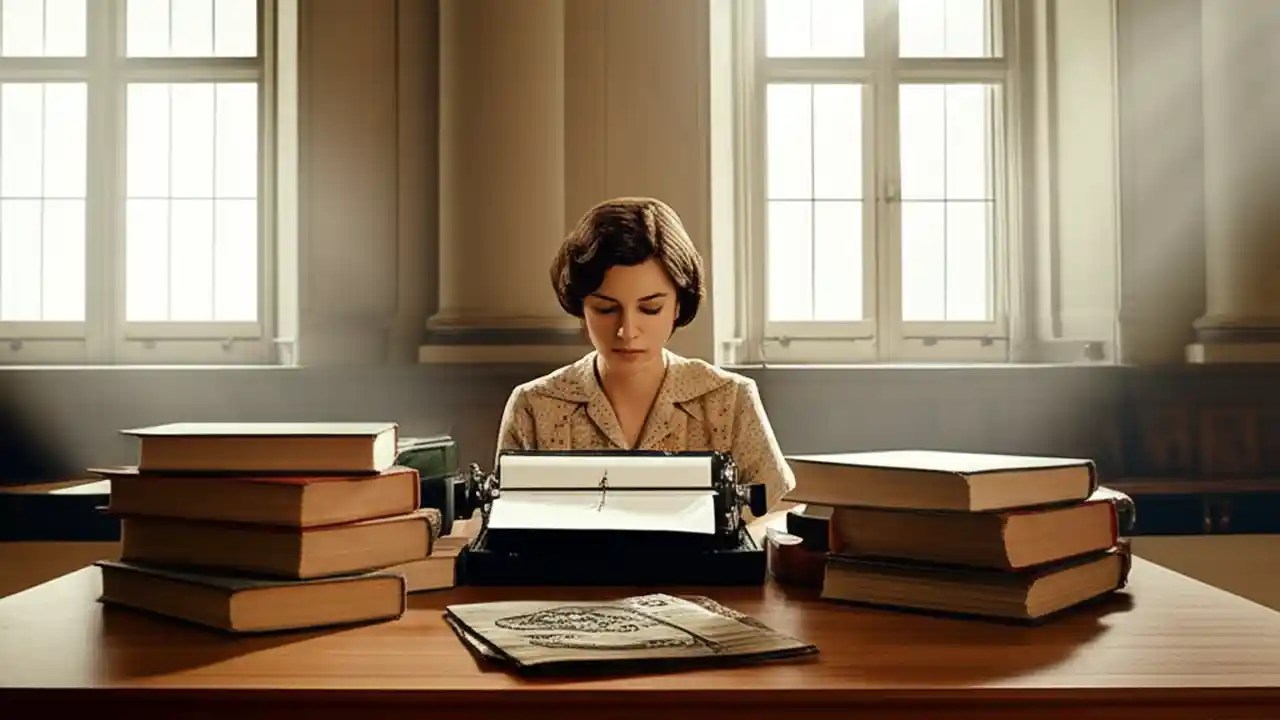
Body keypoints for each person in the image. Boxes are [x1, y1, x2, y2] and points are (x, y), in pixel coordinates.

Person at [495, 196, 795, 513]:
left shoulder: (730, 399)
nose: (627, 330)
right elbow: (508, 528)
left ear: (679, 304)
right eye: (605, 309)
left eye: (650, 309)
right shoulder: (534, 406)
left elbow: (774, 515)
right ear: (581, 307)